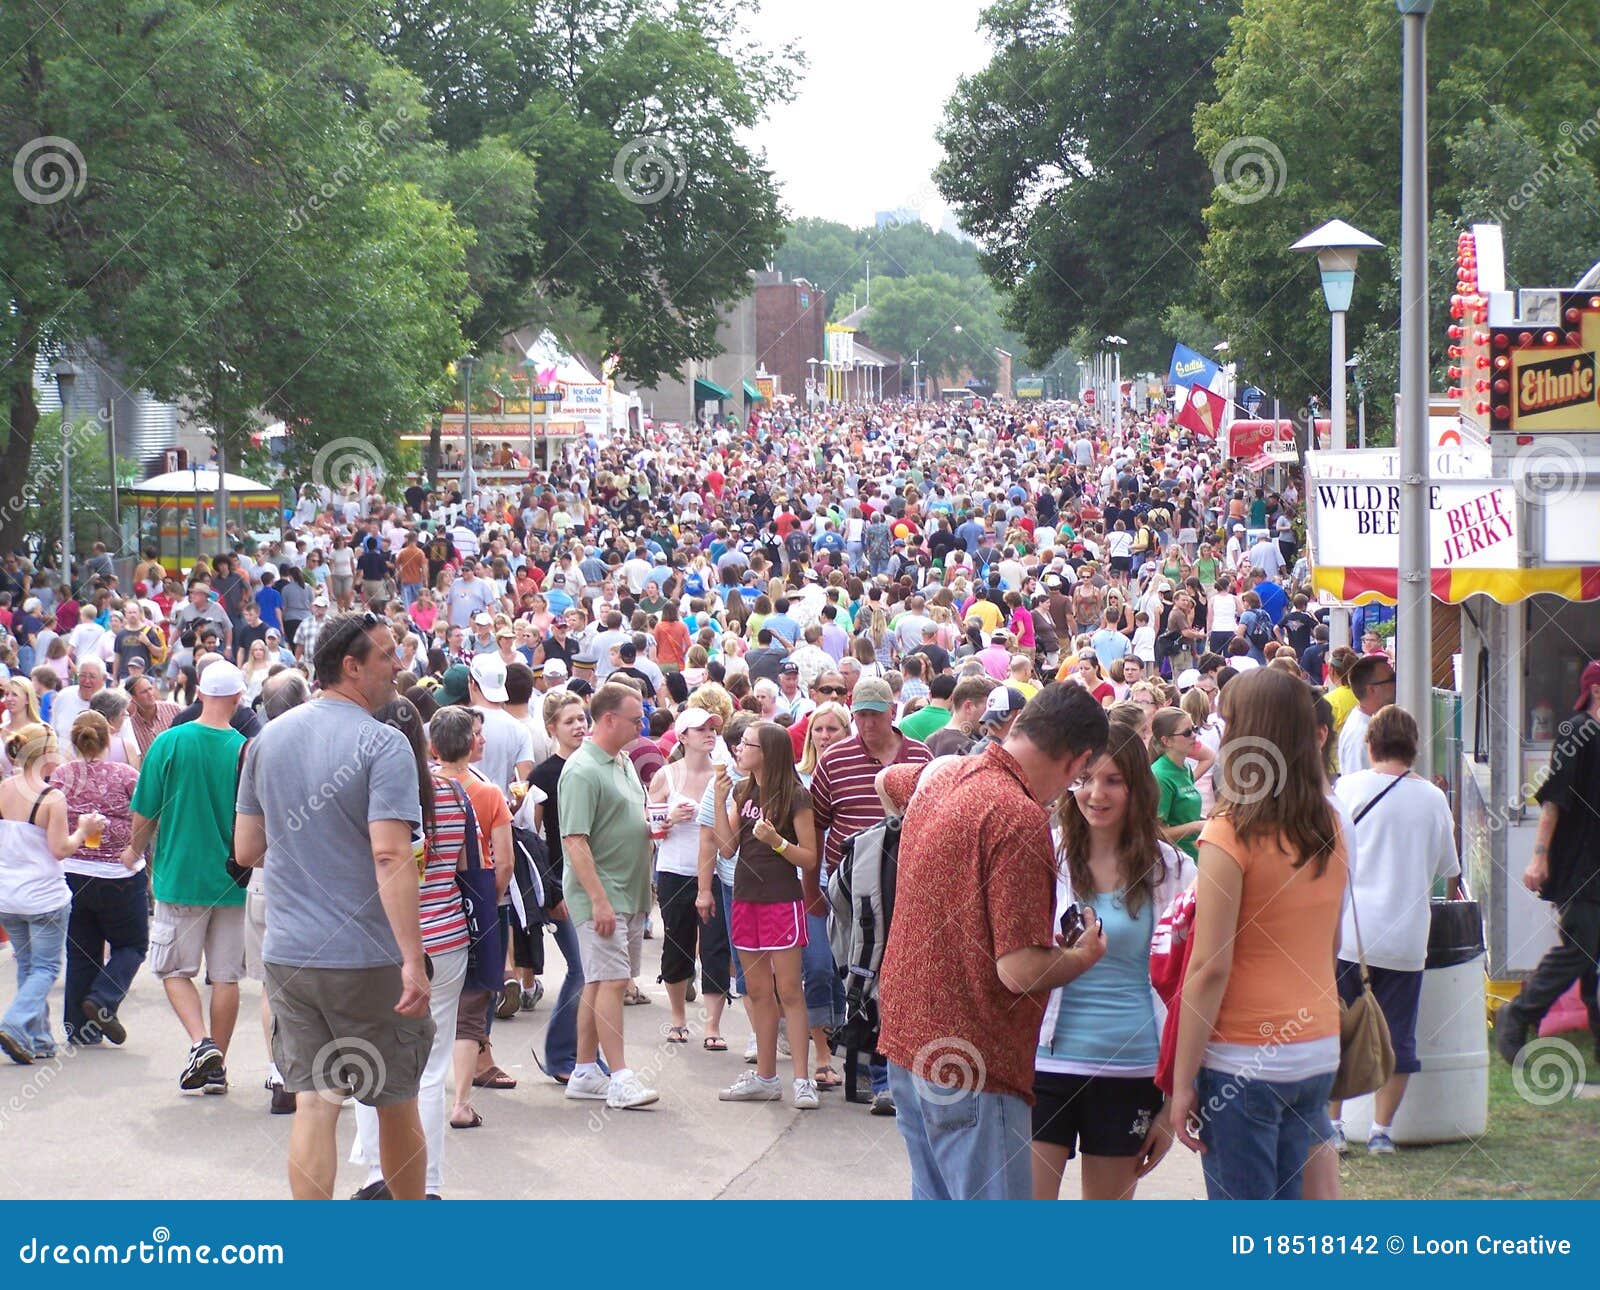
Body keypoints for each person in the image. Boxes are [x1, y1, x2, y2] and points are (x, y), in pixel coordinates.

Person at [876, 682, 1111, 1200]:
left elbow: (886, 780)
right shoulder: (1018, 816)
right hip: (974, 1057)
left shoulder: (947, 774)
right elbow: (1018, 969)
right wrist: (1081, 955)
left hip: (908, 1038)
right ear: (1078, 761)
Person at [233, 612, 434, 1200]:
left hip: (291, 954)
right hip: (365, 957)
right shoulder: (385, 743)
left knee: (316, 1102)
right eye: (387, 656)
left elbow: (246, 850)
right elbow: (390, 855)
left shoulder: (267, 740)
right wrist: (413, 959)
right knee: (394, 1099)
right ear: (351, 667)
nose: (398, 666)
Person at [1169, 668, 1348, 1201]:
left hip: (1242, 1056)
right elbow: (1332, 941)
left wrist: (1181, 1081)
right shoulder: (1330, 825)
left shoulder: (1229, 833)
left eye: (1228, 723)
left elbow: (1210, 967)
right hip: (1316, 1047)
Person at [1033, 723, 1193, 1199]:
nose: (1095, 794)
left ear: (1136, 786)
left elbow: (1192, 984)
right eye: (1085, 779)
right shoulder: (1044, 855)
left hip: (1131, 1071)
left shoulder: (1173, 869)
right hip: (1043, 1066)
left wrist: (1172, 1100)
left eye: (1113, 781)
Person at [344, 701, 469, 1197]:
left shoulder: (362, 796)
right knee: (431, 1071)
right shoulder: (454, 793)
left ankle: (379, 1176)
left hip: (382, 941)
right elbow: (464, 865)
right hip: (447, 937)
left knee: (369, 1063)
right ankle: (427, 1183)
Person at [1328, 704, 1462, 1156]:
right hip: (1407, 937)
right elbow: (1447, 868)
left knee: (1338, 1029)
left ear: (1370, 745)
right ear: (1415, 747)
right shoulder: (1433, 799)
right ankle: (1382, 1131)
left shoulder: (1347, 788)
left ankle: (1334, 1126)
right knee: (1399, 1037)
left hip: (1350, 933)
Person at [123, 660, 249, 1094]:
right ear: (238, 699)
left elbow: (146, 810)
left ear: (198, 692)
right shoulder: (245, 750)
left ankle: (201, 1043)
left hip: (180, 874)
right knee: (226, 976)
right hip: (234, 878)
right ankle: (218, 1065)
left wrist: (134, 850)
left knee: (174, 970)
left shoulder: (169, 742)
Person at [807, 676, 932, 1113]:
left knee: (895, 981)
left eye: (875, 715)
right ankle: (864, 1067)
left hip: (906, 888)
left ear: (891, 713)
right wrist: (812, 888)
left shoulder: (920, 756)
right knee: (857, 975)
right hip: (851, 892)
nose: (867, 723)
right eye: (860, 715)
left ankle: (886, 1075)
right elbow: (816, 824)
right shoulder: (835, 759)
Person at [707, 721, 821, 1108]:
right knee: (757, 992)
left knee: (789, 991)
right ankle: (766, 1077)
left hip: (781, 899)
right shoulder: (742, 790)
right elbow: (726, 848)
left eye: (746, 744)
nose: (738, 749)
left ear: (767, 752)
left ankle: (803, 1080)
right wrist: (721, 801)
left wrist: (777, 842)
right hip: (745, 898)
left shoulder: (796, 796)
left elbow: (809, 858)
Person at [558, 681, 659, 1110]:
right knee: (614, 981)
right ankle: (619, 1076)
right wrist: (598, 899)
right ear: (609, 719)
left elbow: (626, 819)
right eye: (635, 720)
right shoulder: (582, 769)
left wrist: (655, 826)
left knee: (600, 981)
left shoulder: (622, 760)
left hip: (627, 891)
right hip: (603, 895)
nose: (642, 726)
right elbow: (575, 840)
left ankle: (584, 1071)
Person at [1497, 659, 1600, 1068]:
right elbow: (1553, 800)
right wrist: (1539, 856)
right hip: (1578, 865)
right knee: (1580, 948)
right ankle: (1519, 1012)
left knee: (1592, 955)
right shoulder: (1577, 732)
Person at [0, 724, 103, 1063]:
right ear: (46, 753)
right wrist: (84, 830)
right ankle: (14, 1023)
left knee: (28, 965)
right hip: (43, 895)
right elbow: (60, 849)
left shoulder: (4, 788)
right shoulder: (52, 797)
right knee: (45, 967)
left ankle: (39, 1039)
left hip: (8, 895)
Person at [51, 711, 144, 1046]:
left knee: (81, 951)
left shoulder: (61, 776)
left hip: (72, 872)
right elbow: (148, 814)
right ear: (109, 738)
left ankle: (78, 1027)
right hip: (118, 873)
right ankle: (104, 998)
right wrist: (136, 849)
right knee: (132, 944)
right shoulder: (127, 775)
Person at [648, 707, 726, 1046]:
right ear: (682, 736)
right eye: (701, 729)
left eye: (712, 728)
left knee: (715, 946)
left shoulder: (722, 775)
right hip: (674, 870)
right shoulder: (666, 776)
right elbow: (652, 829)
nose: (709, 734)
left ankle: (712, 1026)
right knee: (677, 944)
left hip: (715, 872)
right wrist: (670, 819)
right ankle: (678, 1018)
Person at [529, 689, 592, 1082]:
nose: (579, 726)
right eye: (570, 721)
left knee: (598, 974)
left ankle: (587, 1057)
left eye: (582, 718)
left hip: (597, 880)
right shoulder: (542, 776)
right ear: (551, 728)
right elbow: (530, 838)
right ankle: (560, 1055)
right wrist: (549, 891)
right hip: (561, 883)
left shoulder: (596, 763)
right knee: (581, 970)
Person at [1149, 707, 1204, 863]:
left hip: (1193, 856)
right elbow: (1155, 832)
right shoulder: (1160, 775)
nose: (1194, 735)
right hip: (1174, 862)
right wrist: (1196, 826)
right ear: (1166, 741)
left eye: (1194, 729)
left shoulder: (1185, 767)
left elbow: (1185, 816)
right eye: (1187, 733)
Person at [1337, 655, 1396, 776]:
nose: (1397, 683)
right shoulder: (1360, 735)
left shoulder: (1370, 723)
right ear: (1371, 689)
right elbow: (1357, 784)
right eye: (1392, 679)